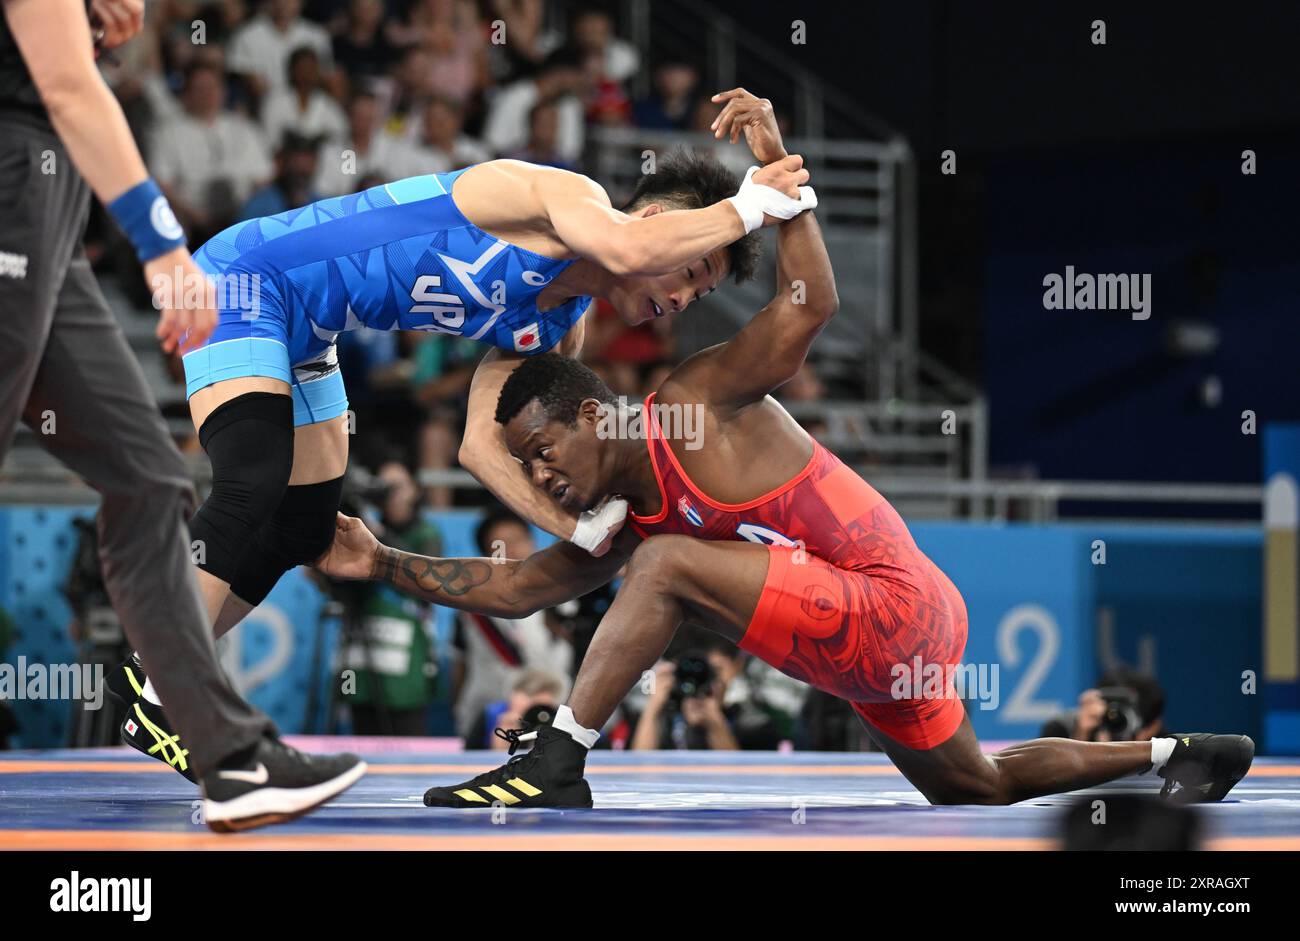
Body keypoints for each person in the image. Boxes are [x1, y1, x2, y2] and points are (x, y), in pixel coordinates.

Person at [314, 91, 1255, 810]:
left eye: (542, 450)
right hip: (887, 639)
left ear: (596, 415)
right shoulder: (624, 521)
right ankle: (1178, 755)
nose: (541, 475)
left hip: (893, 604)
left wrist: (780, 182)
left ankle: (560, 756)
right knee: (970, 783)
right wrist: (380, 559)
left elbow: (811, 308)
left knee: (670, 561)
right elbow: (516, 587)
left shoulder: (698, 399)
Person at [111, 89, 815, 742]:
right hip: (245, 277)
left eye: (702, 293)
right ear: (664, 220)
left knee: (300, 526)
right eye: (694, 271)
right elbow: (629, 247)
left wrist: (580, 525)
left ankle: (166, 680)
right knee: (253, 481)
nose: (685, 300)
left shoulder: (553, 326)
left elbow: (481, 447)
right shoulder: (564, 197)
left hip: (309, 332)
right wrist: (752, 203)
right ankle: (162, 681)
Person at [0, 0, 364, 830]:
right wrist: (163, 247)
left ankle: (231, 759)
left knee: (147, 477)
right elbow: (64, 81)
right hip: (17, 174)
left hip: (47, 192)